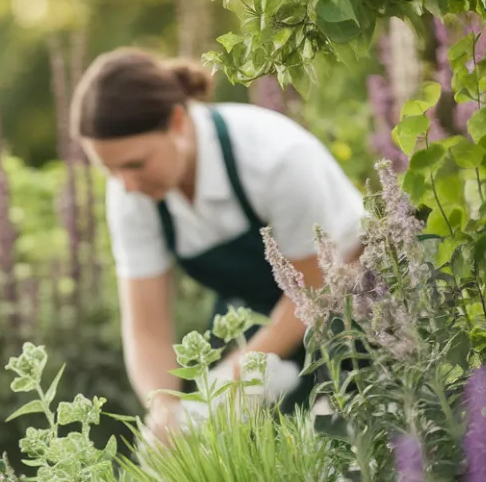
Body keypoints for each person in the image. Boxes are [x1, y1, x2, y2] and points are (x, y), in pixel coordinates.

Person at [70, 47, 365, 444]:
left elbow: (313, 291)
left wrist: (233, 377)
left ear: (176, 121)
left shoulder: (277, 159)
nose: (126, 185)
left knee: (338, 448)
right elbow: (147, 329)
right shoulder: (131, 191)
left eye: (136, 165)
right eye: (111, 171)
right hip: (251, 319)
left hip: (352, 308)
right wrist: (164, 409)